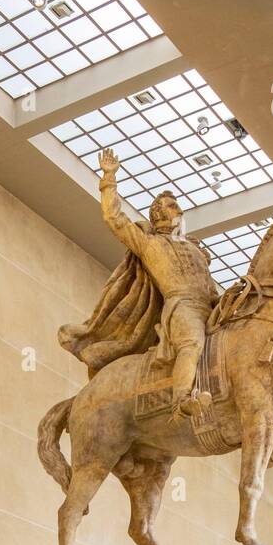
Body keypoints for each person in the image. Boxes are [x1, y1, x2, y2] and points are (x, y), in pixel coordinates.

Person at [96, 146, 219, 420]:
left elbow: (212, 288)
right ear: (158, 215)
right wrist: (109, 179)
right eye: (172, 206)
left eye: (178, 205)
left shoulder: (197, 250)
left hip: (212, 306)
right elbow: (114, 219)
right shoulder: (150, 243)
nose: (179, 209)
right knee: (192, 343)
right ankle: (182, 400)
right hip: (182, 306)